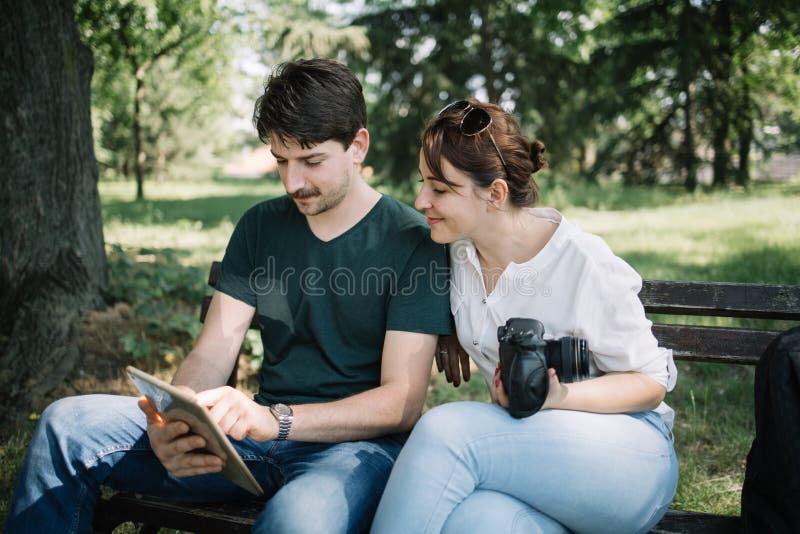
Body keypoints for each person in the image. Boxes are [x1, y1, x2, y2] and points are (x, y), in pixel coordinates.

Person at [7, 58, 451, 534]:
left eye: (311, 160)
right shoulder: (260, 226)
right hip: (250, 442)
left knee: (297, 522)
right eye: (281, 160)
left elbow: (400, 403)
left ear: (357, 145)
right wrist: (173, 423)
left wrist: (276, 420)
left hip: (356, 454)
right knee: (65, 426)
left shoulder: (412, 241)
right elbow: (213, 351)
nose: (292, 182)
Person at [371, 99, 679, 534]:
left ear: (495, 194)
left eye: (440, 189)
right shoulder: (456, 252)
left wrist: (558, 399)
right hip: (537, 464)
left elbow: (650, 383)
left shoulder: (581, 262)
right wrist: (449, 330)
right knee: (471, 522)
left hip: (628, 459)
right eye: (423, 182)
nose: (421, 200)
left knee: (447, 432)